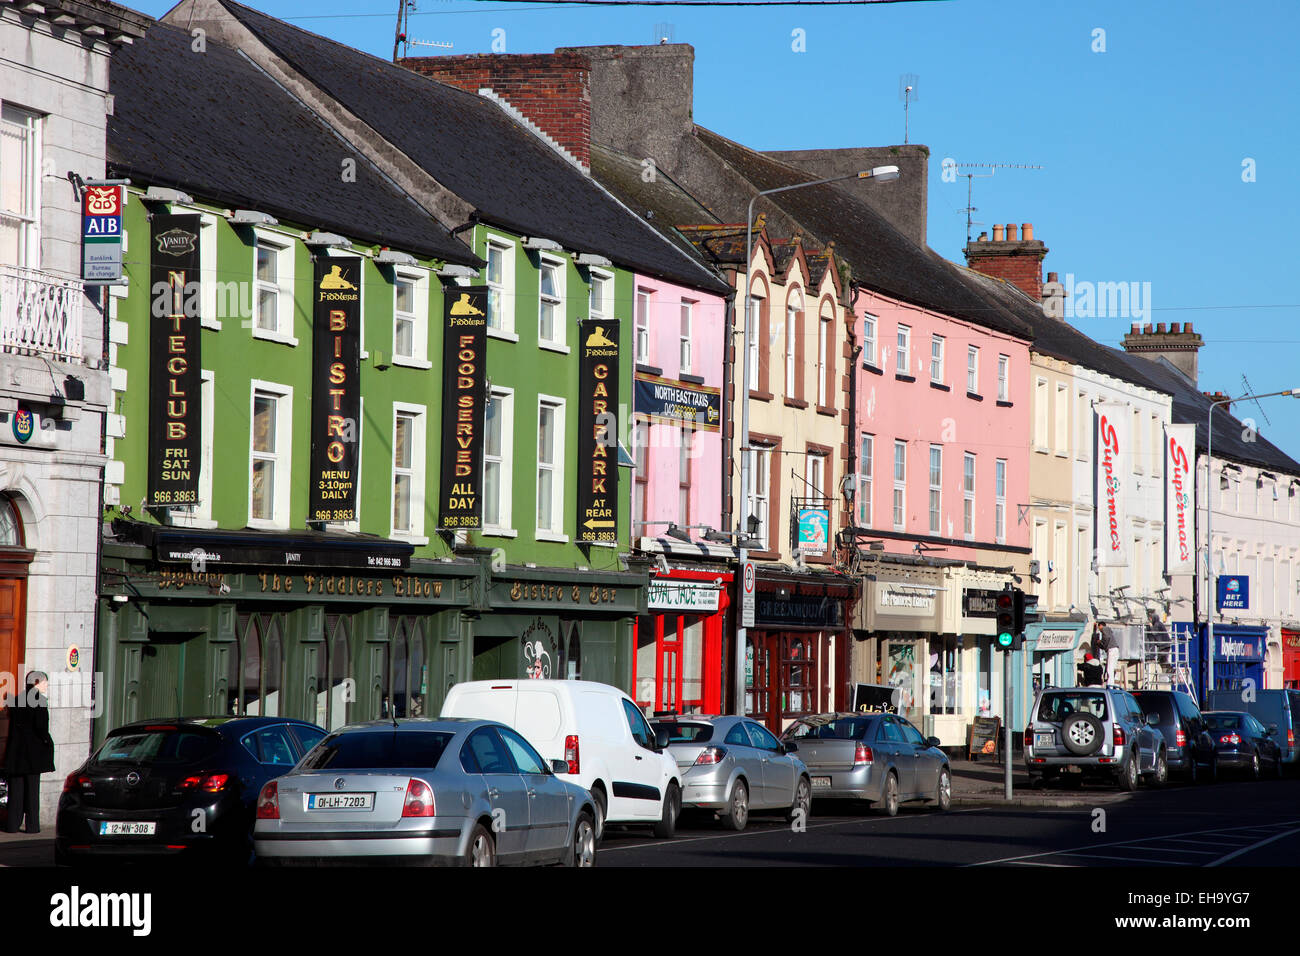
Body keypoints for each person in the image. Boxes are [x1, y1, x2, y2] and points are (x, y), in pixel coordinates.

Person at [4, 671, 55, 834]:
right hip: (33, 754)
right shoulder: (39, 700)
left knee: (16, 790)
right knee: (32, 791)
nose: (47, 685)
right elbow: (41, 727)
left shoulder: (17, 699)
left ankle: (12, 825)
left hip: (16, 752)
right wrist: (47, 741)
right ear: (37, 682)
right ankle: (32, 826)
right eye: (45, 682)